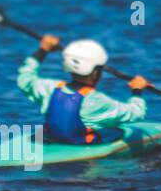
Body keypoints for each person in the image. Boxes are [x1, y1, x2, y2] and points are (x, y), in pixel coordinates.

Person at [17, 37, 150, 144]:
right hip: (82, 152)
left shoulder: (49, 89)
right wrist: (137, 91)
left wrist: (43, 49)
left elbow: (25, 79)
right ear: (95, 73)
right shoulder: (96, 102)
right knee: (115, 130)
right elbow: (135, 113)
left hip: (53, 140)